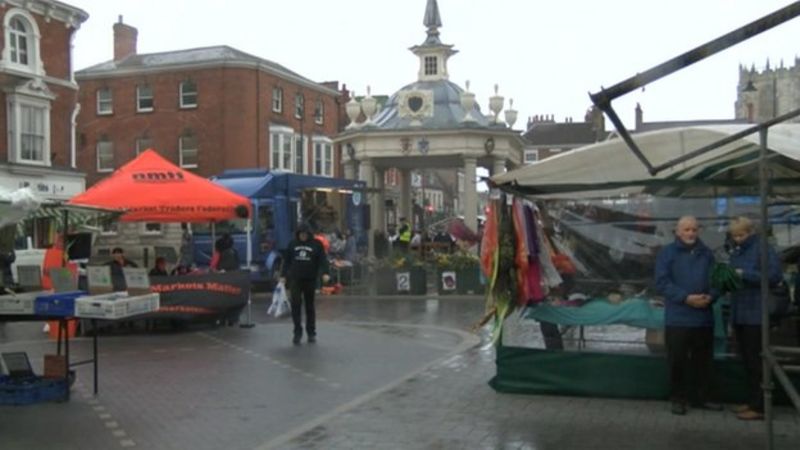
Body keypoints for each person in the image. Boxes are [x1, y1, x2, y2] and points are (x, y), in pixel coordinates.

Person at [654, 216, 720, 415]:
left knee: (703, 361)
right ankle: (678, 398)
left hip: (703, 318)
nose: (691, 233)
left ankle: (701, 398)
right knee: (677, 361)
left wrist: (711, 296)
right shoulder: (667, 253)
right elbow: (662, 282)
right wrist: (685, 298)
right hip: (678, 318)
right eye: (686, 229)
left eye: (694, 229)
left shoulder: (707, 254)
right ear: (678, 231)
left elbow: (717, 280)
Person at [727, 216, 782, 421]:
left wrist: (743, 273)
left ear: (751, 232)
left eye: (741, 235)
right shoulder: (737, 250)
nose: (738, 239)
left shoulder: (763, 248)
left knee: (756, 361)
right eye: (735, 235)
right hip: (740, 311)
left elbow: (774, 276)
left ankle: (760, 407)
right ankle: (752, 401)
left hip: (756, 313)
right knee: (747, 360)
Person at [281, 224, 330, 344]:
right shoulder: (292, 244)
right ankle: (297, 332)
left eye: (305, 234)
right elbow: (286, 261)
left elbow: (323, 260)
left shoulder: (316, 244)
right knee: (296, 305)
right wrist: (283, 275)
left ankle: (311, 332)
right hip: (295, 279)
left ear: (309, 234)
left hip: (310, 279)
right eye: (301, 234)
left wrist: (325, 273)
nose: (303, 236)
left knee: (309, 306)